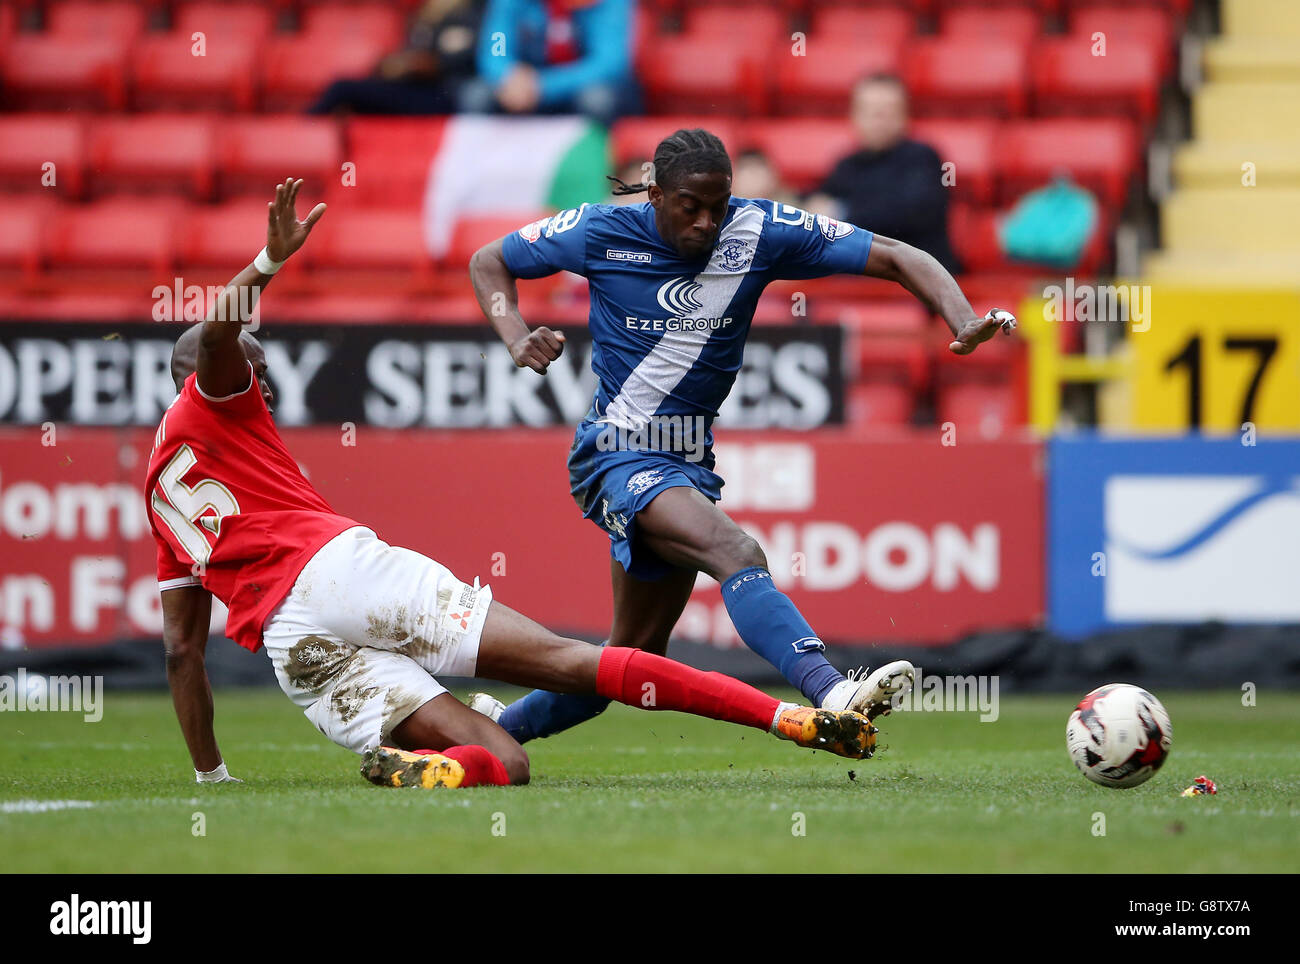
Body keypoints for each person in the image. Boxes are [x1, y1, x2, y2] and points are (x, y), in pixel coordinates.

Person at [148, 178, 878, 791]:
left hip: (293, 646)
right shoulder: (215, 395)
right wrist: (268, 261)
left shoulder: (159, 488)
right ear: (202, 379)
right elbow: (217, 339)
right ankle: (798, 717)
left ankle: (436, 770)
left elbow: (183, 650)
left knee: (507, 761)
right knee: (572, 659)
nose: (264, 385)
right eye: (257, 370)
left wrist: (212, 779)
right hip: (340, 574)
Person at [468, 128, 1016, 744]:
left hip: (686, 459)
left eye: (718, 206)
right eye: (689, 207)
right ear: (654, 193)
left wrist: (963, 316)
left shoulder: (760, 230)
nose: (706, 222)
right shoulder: (598, 231)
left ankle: (492, 729)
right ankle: (834, 692)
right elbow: (488, 260)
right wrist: (515, 335)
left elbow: (895, 254)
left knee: (632, 659)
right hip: (615, 451)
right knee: (738, 554)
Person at [806, 73, 961, 275]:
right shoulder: (847, 165)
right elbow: (820, 199)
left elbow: (909, 212)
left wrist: (842, 214)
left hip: (919, 284)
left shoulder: (924, 158)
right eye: (870, 112)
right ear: (854, 116)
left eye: (887, 112)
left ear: (905, 115)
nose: (878, 121)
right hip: (861, 281)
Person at [458, 0, 639, 126]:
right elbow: (496, 46)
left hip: (573, 88)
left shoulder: (607, 3)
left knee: (597, 99)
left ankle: (594, 171)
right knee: (476, 96)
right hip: (521, 88)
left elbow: (608, 63)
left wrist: (543, 86)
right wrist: (506, 75)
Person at [308, 0, 484, 116]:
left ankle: (301, 129)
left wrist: (421, 65)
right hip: (411, 85)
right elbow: (407, 56)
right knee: (350, 92)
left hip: (444, 93)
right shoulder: (427, 16)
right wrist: (397, 65)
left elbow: (459, 59)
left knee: (342, 88)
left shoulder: (474, 15)